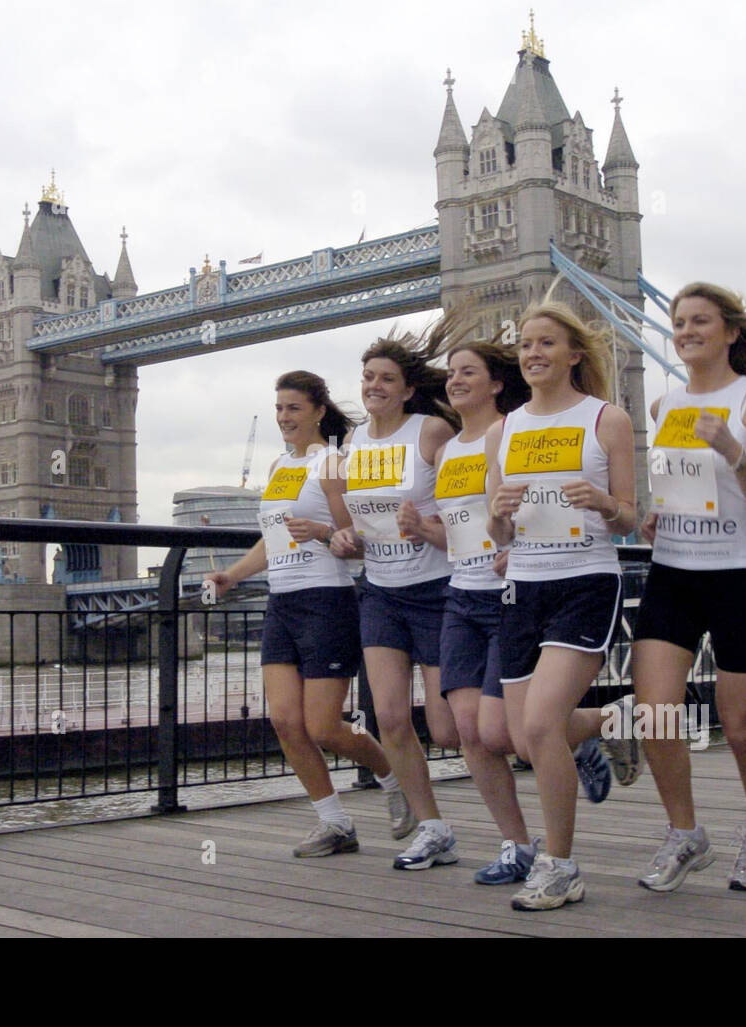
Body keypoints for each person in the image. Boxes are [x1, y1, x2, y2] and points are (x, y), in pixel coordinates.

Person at [204, 371, 413, 857]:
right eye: (279, 409)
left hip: (328, 601)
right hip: (284, 602)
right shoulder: (280, 466)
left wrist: (321, 532)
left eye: (293, 408)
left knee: (323, 726)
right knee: (284, 722)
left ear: (318, 411)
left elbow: (355, 537)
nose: (283, 418)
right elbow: (273, 541)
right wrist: (231, 576)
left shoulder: (334, 464)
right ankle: (335, 824)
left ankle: (392, 777)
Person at [633, 282, 746, 892]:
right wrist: (655, 515)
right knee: (655, 714)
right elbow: (678, 488)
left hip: (738, 577)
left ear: (731, 332)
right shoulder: (662, 406)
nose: (689, 330)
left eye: (702, 321)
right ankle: (685, 833)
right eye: (680, 322)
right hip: (673, 572)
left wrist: (732, 449)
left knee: (743, 728)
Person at [485, 299, 639, 910]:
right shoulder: (505, 429)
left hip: (585, 582)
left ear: (575, 353)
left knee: (543, 723)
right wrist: (497, 518)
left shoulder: (607, 420)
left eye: (546, 343)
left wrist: (603, 503)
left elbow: (627, 519)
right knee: (526, 739)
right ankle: (614, 720)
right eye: (525, 344)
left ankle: (560, 865)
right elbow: (502, 537)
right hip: (523, 586)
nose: (533, 354)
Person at [329, 318, 463, 870]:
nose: (373, 387)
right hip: (380, 591)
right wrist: (343, 540)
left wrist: (429, 524)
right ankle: (433, 828)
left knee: (451, 728)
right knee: (388, 716)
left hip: (435, 588)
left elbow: (467, 508)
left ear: (408, 389)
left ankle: (573, 739)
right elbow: (355, 533)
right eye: (367, 378)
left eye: (385, 379)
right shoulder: (352, 444)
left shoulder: (430, 432)